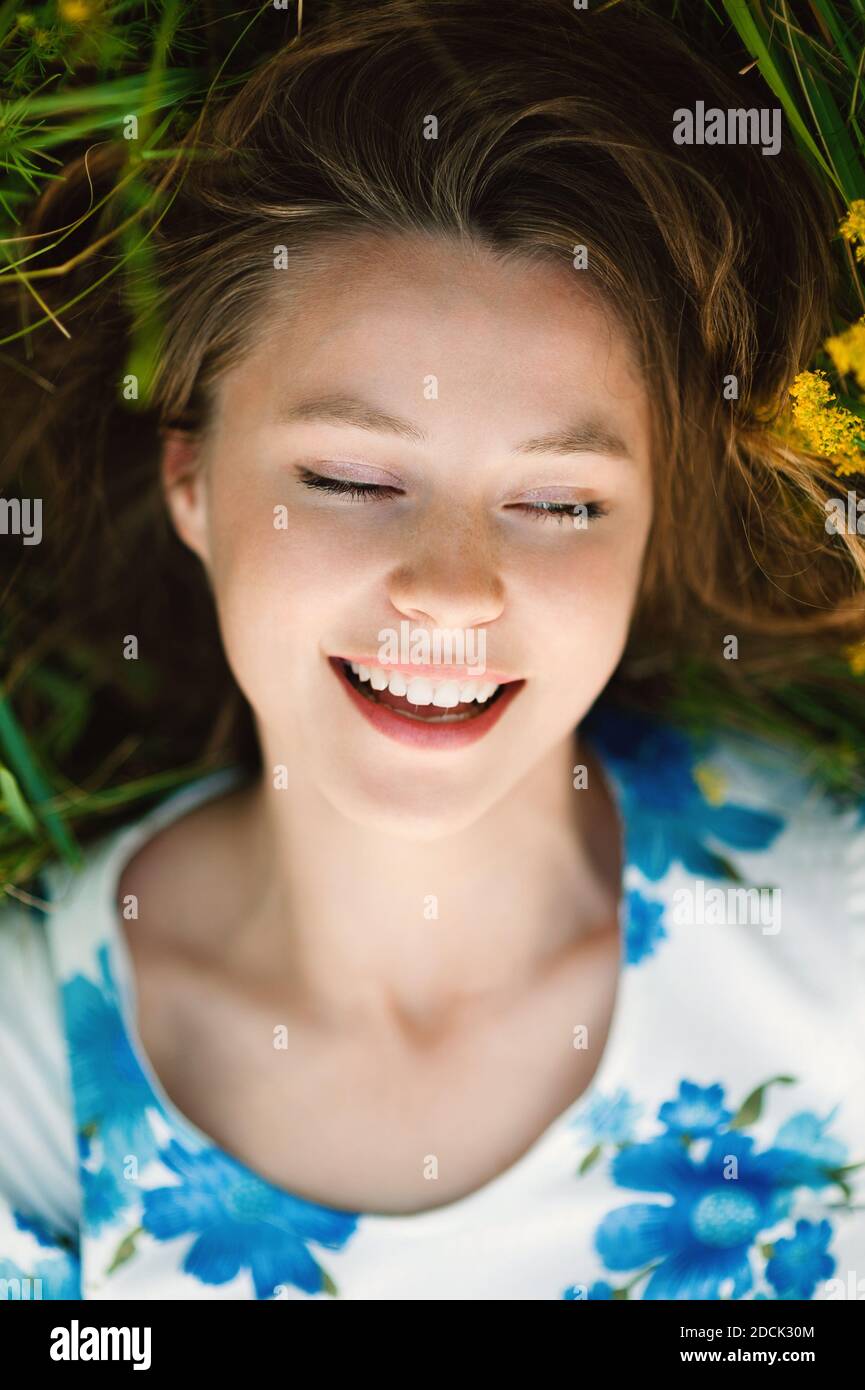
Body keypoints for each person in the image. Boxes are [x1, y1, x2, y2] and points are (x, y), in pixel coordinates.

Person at [1, 0, 863, 1302]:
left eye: (560, 500)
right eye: (350, 477)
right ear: (191, 480)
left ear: (644, 530)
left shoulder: (838, 932)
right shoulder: (32, 1069)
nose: (452, 591)